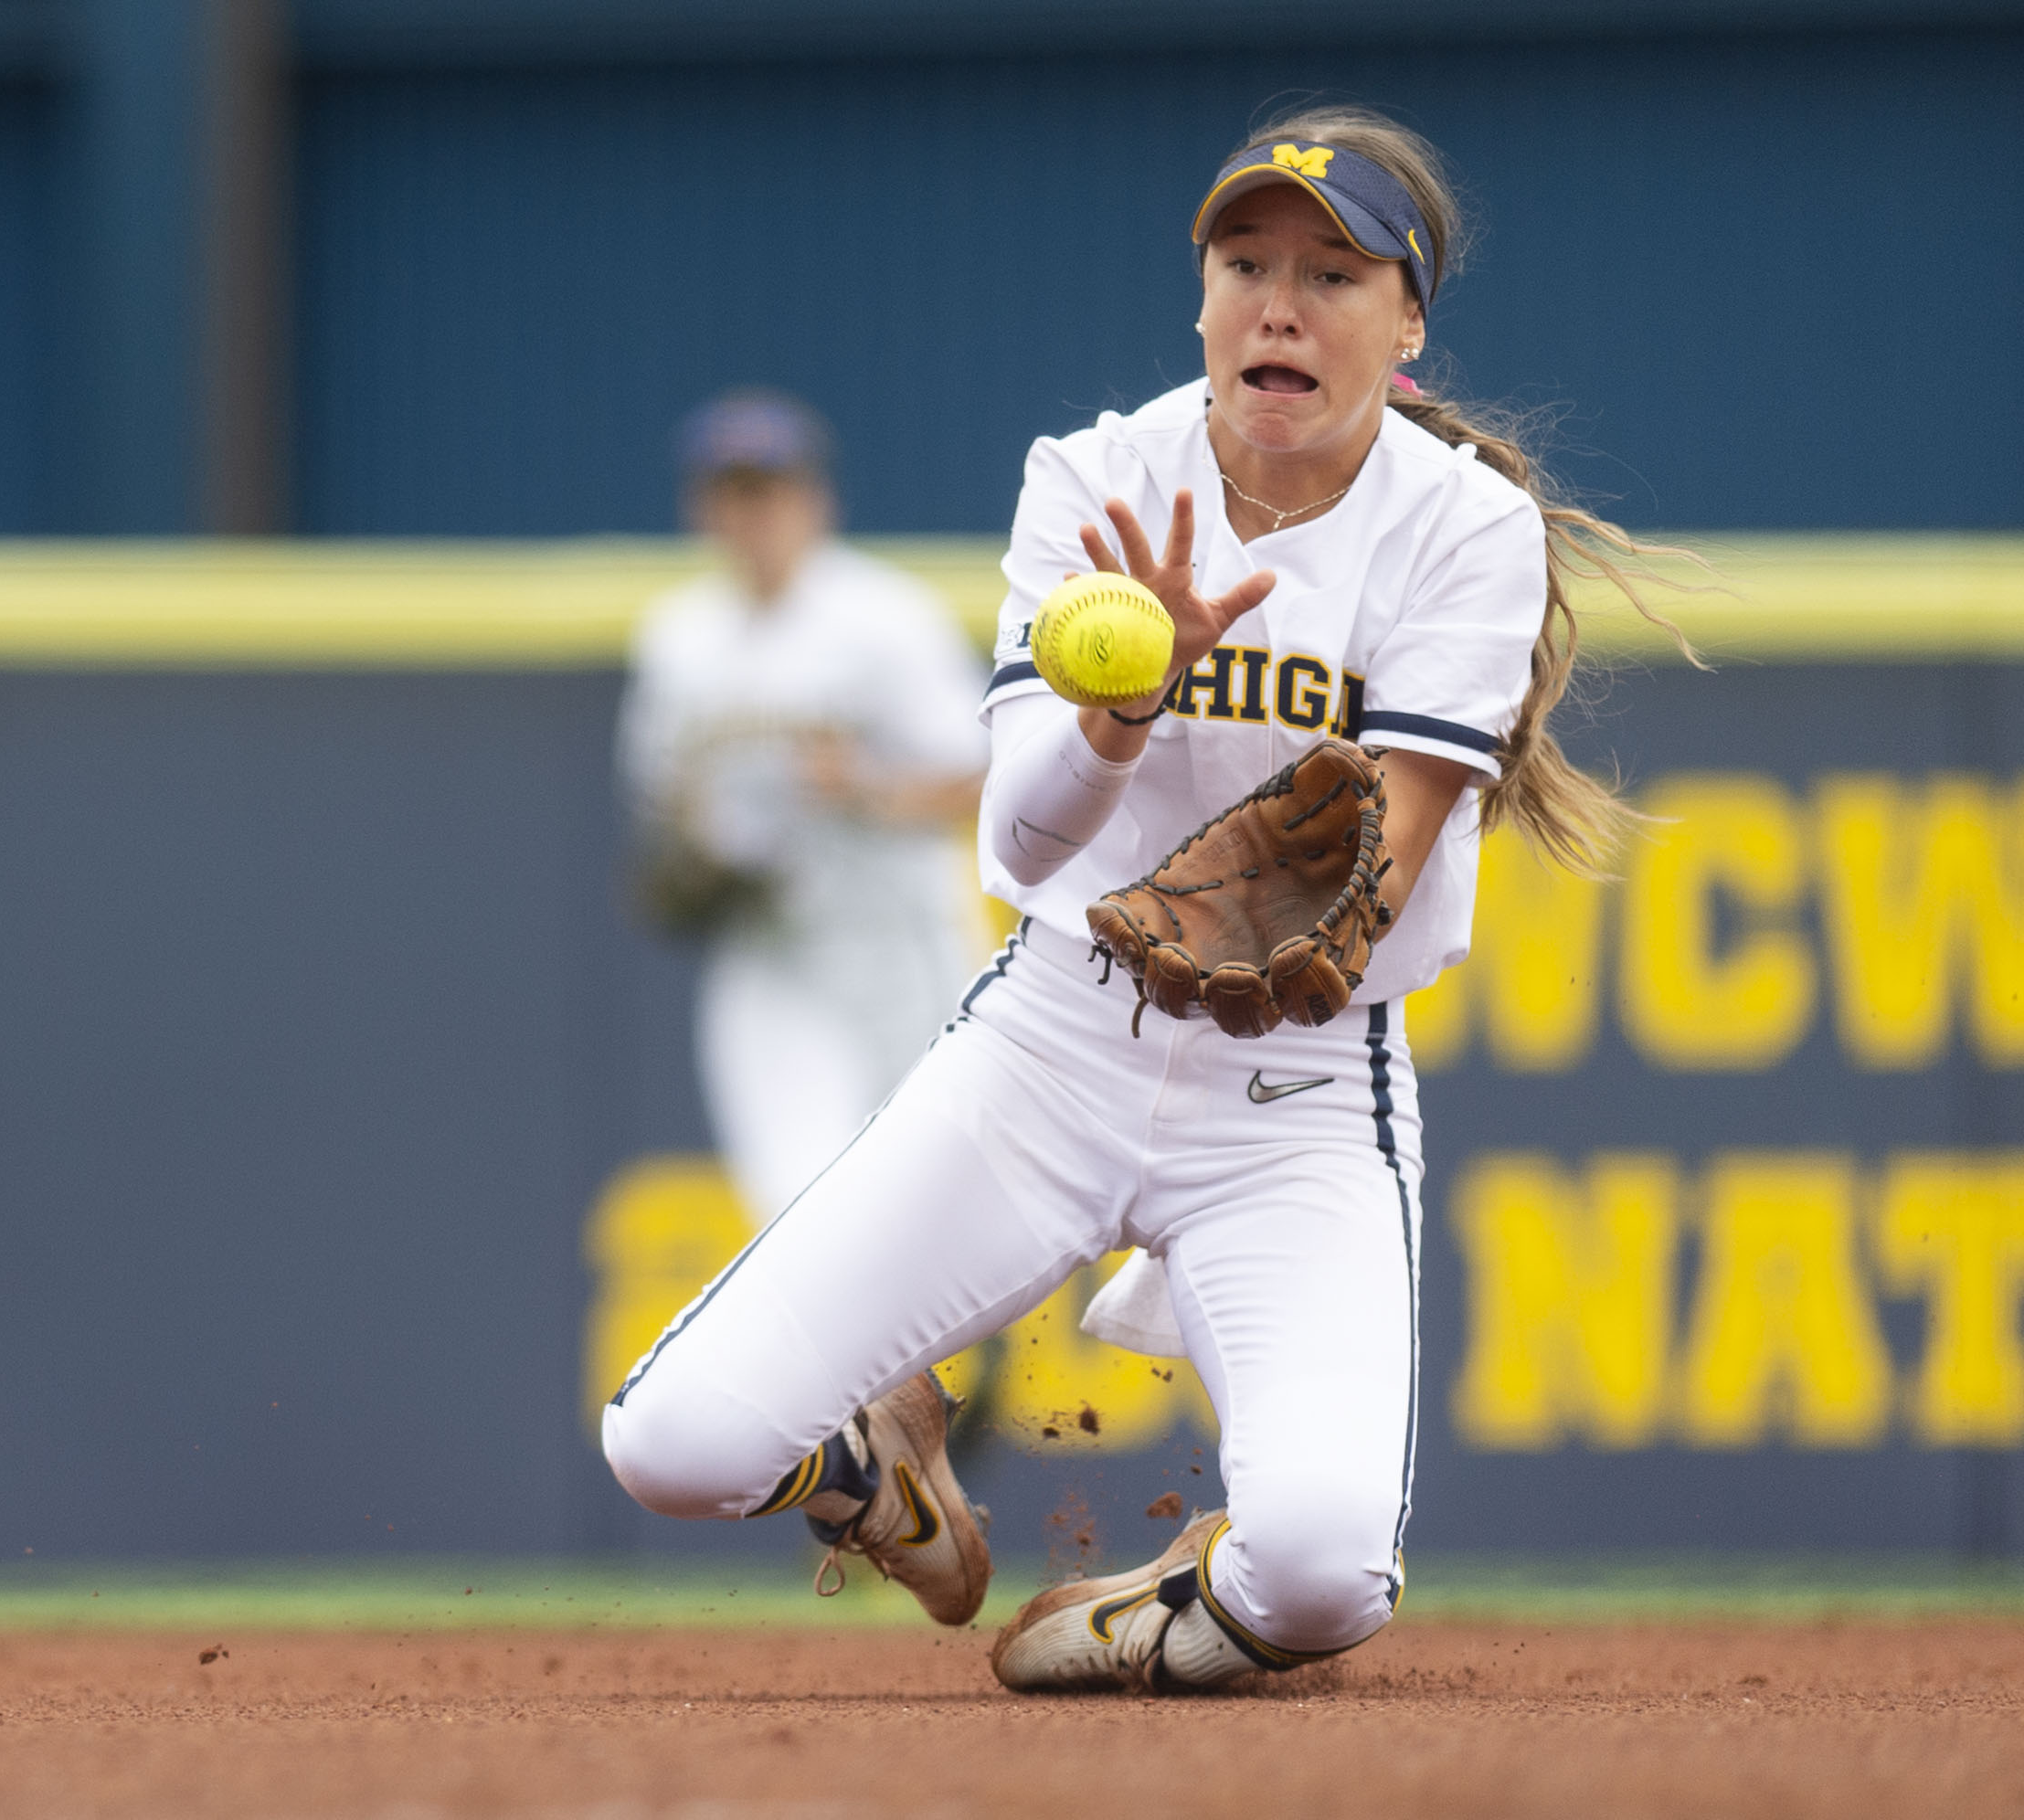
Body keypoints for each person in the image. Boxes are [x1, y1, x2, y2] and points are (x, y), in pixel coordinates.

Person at [599, 107, 1688, 1690]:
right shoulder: (1098, 479)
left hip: (1296, 1094)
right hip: (1054, 1043)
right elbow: (1031, 850)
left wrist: (1284, 898)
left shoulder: (1466, 525)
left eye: (1333, 273)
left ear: (1407, 321)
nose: (1280, 302)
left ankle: (1160, 1613)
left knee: (1321, 1579)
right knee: (678, 1445)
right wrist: (1117, 718)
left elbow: (1380, 852)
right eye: (1245, 261)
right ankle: (882, 1475)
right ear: (1201, 296)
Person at [620, 392, 991, 1229]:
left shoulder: (884, 619)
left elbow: (987, 779)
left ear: (817, 501)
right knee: (797, 1211)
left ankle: (966, 1362)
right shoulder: (677, 641)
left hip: (899, 952)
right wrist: (686, 859)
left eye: (771, 488)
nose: (754, 513)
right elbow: (656, 807)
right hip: (770, 961)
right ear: (701, 510)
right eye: (733, 491)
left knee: (920, 1208)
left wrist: (865, 786)